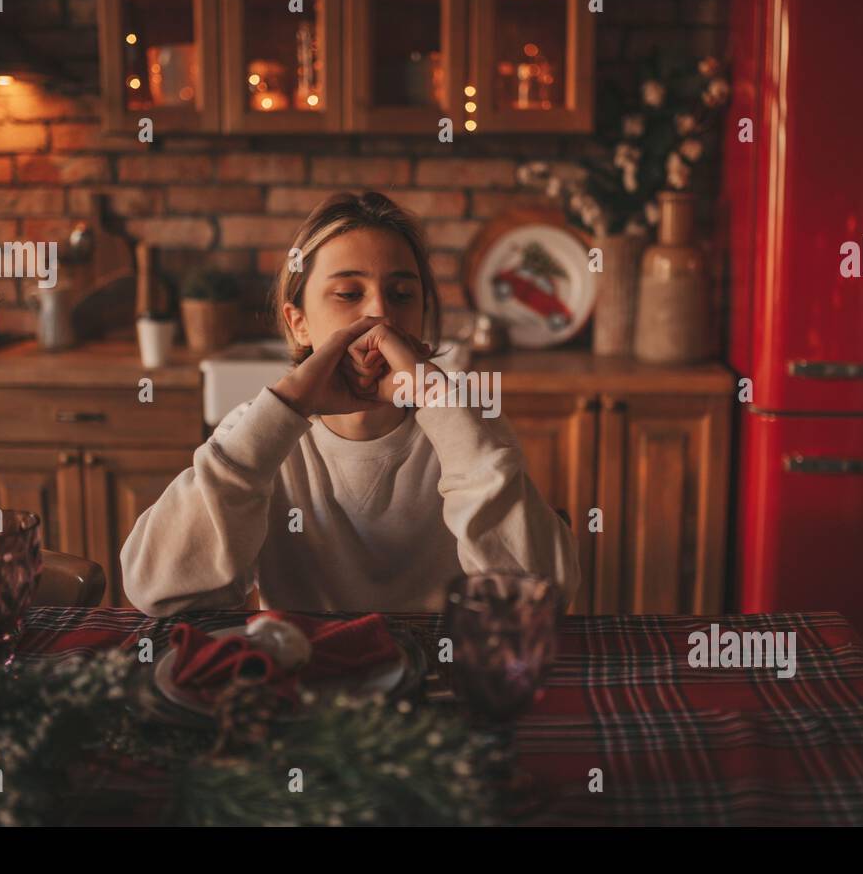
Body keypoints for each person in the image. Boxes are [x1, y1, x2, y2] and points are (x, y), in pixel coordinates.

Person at [120, 191, 580, 615]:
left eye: (403, 295)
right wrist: (288, 404)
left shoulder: (466, 425)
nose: (379, 314)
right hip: (304, 680)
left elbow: (544, 595)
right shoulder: (258, 434)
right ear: (298, 323)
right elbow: (153, 589)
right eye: (348, 294)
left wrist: (438, 400)